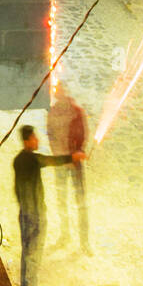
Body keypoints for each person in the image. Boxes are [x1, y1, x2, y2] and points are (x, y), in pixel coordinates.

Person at [13, 124, 85, 286]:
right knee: (33, 256)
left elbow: (17, 190)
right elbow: (52, 161)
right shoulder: (32, 159)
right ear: (28, 140)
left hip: (25, 214)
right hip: (34, 215)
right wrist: (73, 158)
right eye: (35, 138)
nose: (38, 141)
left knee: (27, 255)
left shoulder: (18, 160)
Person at [47, 83, 91, 254]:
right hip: (62, 162)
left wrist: (78, 150)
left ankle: (83, 240)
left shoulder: (76, 112)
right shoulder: (55, 112)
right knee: (63, 201)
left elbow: (83, 134)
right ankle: (66, 235)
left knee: (80, 202)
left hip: (72, 163)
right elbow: (50, 135)